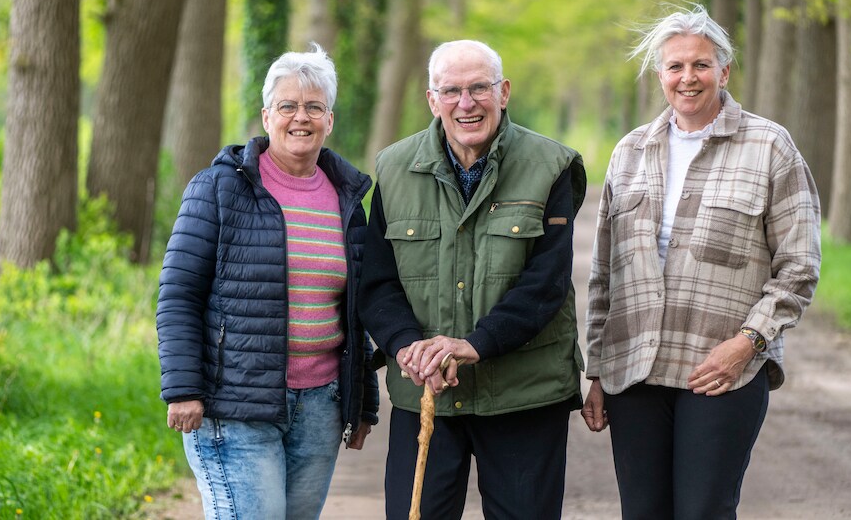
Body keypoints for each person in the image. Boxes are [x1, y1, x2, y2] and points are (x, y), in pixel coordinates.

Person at [582, 4, 821, 520]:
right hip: (635, 374)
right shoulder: (629, 153)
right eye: (675, 67)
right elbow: (605, 276)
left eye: (701, 65)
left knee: (703, 510)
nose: (688, 77)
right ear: (659, 76)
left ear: (724, 71)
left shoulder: (770, 147)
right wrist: (597, 371)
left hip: (719, 372)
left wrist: (748, 342)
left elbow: (799, 266)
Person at [359, 39, 587, 520]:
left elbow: (545, 283)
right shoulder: (393, 169)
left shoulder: (551, 166)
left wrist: (475, 344)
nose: (466, 103)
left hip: (524, 394)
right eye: (451, 91)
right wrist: (406, 347)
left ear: (503, 92)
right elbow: (376, 280)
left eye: (479, 88)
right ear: (431, 99)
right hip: (426, 396)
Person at [156, 44, 378, 520]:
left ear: (330, 120)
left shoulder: (347, 200)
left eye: (314, 107)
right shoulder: (219, 188)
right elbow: (178, 295)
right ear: (266, 115)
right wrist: (182, 388)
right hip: (234, 403)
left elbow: (357, 311)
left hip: (321, 406)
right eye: (288, 106)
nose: (302, 117)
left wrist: (362, 403)